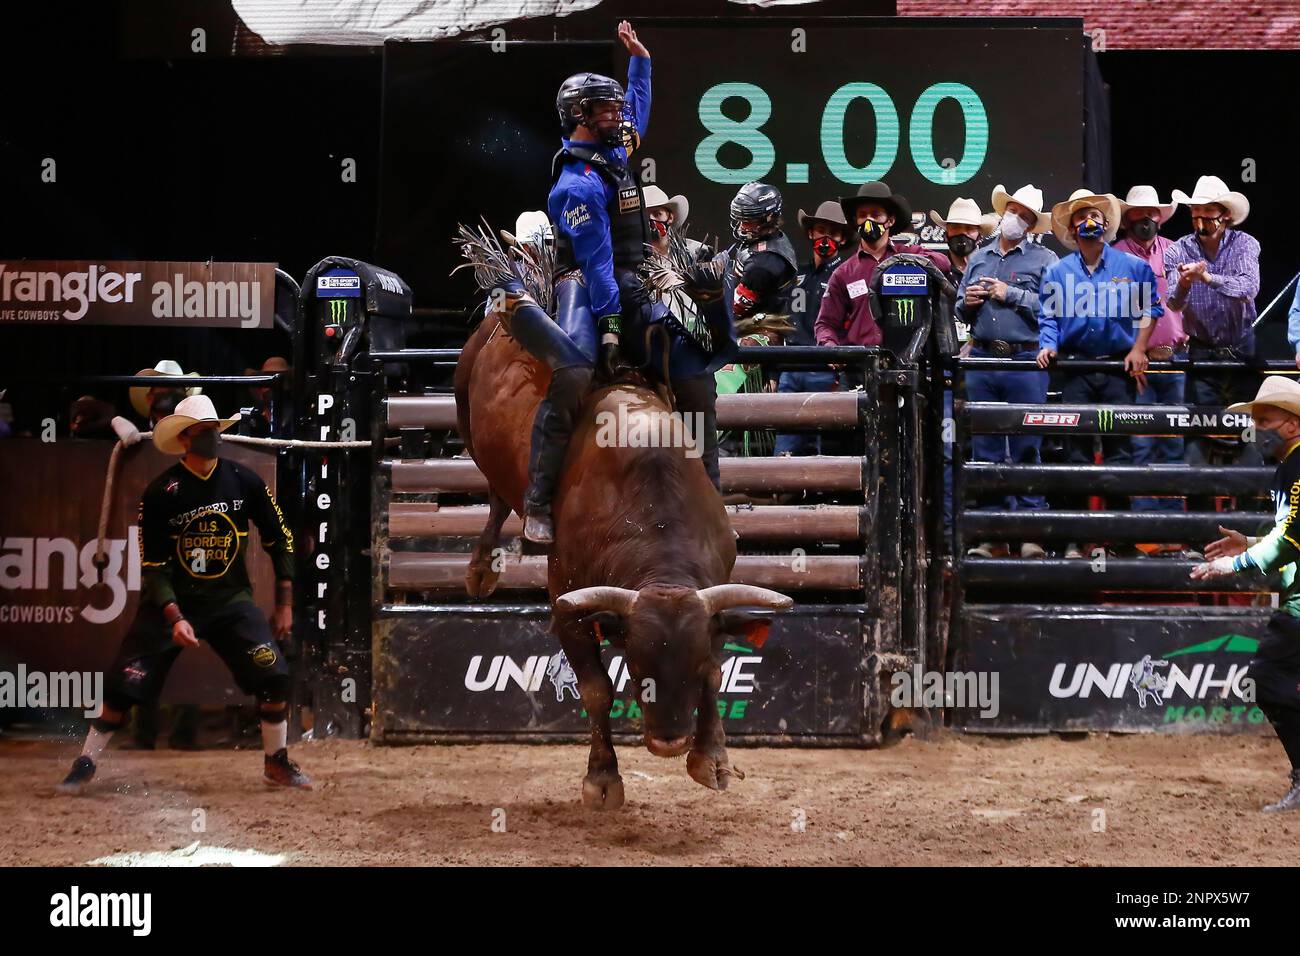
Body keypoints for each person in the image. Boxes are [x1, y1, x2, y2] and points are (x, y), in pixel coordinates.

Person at [58, 395, 310, 793]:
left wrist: (285, 603)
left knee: (274, 675)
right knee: (124, 685)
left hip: (230, 602)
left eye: (214, 430)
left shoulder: (245, 481)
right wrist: (174, 616)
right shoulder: (161, 493)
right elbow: (154, 567)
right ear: (185, 439)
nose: (211, 437)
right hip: (172, 601)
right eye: (203, 432)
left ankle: (276, 762)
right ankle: (85, 762)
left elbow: (280, 539)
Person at [526, 18, 652, 544]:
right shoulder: (577, 185)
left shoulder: (614, 150)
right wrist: (611, 326)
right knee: (574, 373)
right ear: (580, 117)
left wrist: (640, 61)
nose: (618, 115)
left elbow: (638, 110)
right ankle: (537, 499)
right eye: (606, 109)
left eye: (616, 107)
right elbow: (597, 265)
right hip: (585, 280)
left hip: (634, 270)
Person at [1192, 376, 1300, 812]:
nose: (1257, 430)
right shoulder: (1290, 467)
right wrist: (1251, 545)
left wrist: (1231, 564)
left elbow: (1292, 541)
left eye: (1266, 420)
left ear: (1292, 425)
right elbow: (1288, 535)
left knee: (1266, 678)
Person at [1038, 189, 1162, 558]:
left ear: (1106, 225)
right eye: (1082, 217)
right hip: (1075, 368)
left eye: (1095, 216)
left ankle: (1120, 538)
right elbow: (1048, 315)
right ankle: (1077, 538)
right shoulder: (1057, 271)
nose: (1089, 222)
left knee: (1119, 450)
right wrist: (1048, 343)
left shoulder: (1132, 268)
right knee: (1074, 452)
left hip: (1116, 366)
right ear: (1073, 228)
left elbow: (1151, 309)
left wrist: (1139, 348)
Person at [956, 185, 1058, 559]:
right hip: (984, 359)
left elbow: (1054, 305)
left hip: (1025, 360)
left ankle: (1030, 532)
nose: (1018, 219)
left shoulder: (1045, 259)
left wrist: (1009, 293)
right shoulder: (979, 257)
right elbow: (959, 307)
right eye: (1016, 211)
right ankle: (990, 533)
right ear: (1005, 211)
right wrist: (965, 303)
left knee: (1026, 444)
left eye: (1027, 217)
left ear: (1032, 225)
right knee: (984, 447)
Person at [1165, 175, 1261, 500]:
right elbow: (1173, 302)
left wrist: (1207, 277)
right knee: (1197, 436)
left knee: (1249, 433)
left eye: (1208, 212)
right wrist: (1185, 284)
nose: (1201, 220)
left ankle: (1248, 523)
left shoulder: (1246, 244)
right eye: (1195, 212)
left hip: (1242, 351)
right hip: (1202, 352)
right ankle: (1198, 533)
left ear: (1225, 215)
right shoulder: (1179, 249)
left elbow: (1248, 289)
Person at [1113, 186, 1188, 521]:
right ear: (1128, 218)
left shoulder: (1175, 252)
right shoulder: (1115, 256)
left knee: (1173, 442)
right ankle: (1144, 522)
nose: (1145, 220)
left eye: (1151, 215)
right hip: (1135, 360)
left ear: (1160, 217)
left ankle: (1171, 521)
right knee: (1140, 442)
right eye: (1139, 215)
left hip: (1174, 358)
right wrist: (1131, 349)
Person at [814, 181, 950, 364]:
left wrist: (908, 263)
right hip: (860, 366)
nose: (868, 220)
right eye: (862, 215)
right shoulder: (844, 273)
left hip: (905, 364)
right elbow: (826, 324)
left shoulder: (909, 255)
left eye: (876, 214)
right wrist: (830, 348)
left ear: (890, 220)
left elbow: (944, 263)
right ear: (856, 221)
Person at [128, 359, 201, 429]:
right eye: (165, 384)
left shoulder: (193, 429)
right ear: (150, 397)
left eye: (178, 386)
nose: (172, 391)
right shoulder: (138, 428)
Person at [243, 356, 293, 438]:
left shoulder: (298, 419)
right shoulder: (253, 419)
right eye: (268, 379)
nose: (273, 385)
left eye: (280, 380)